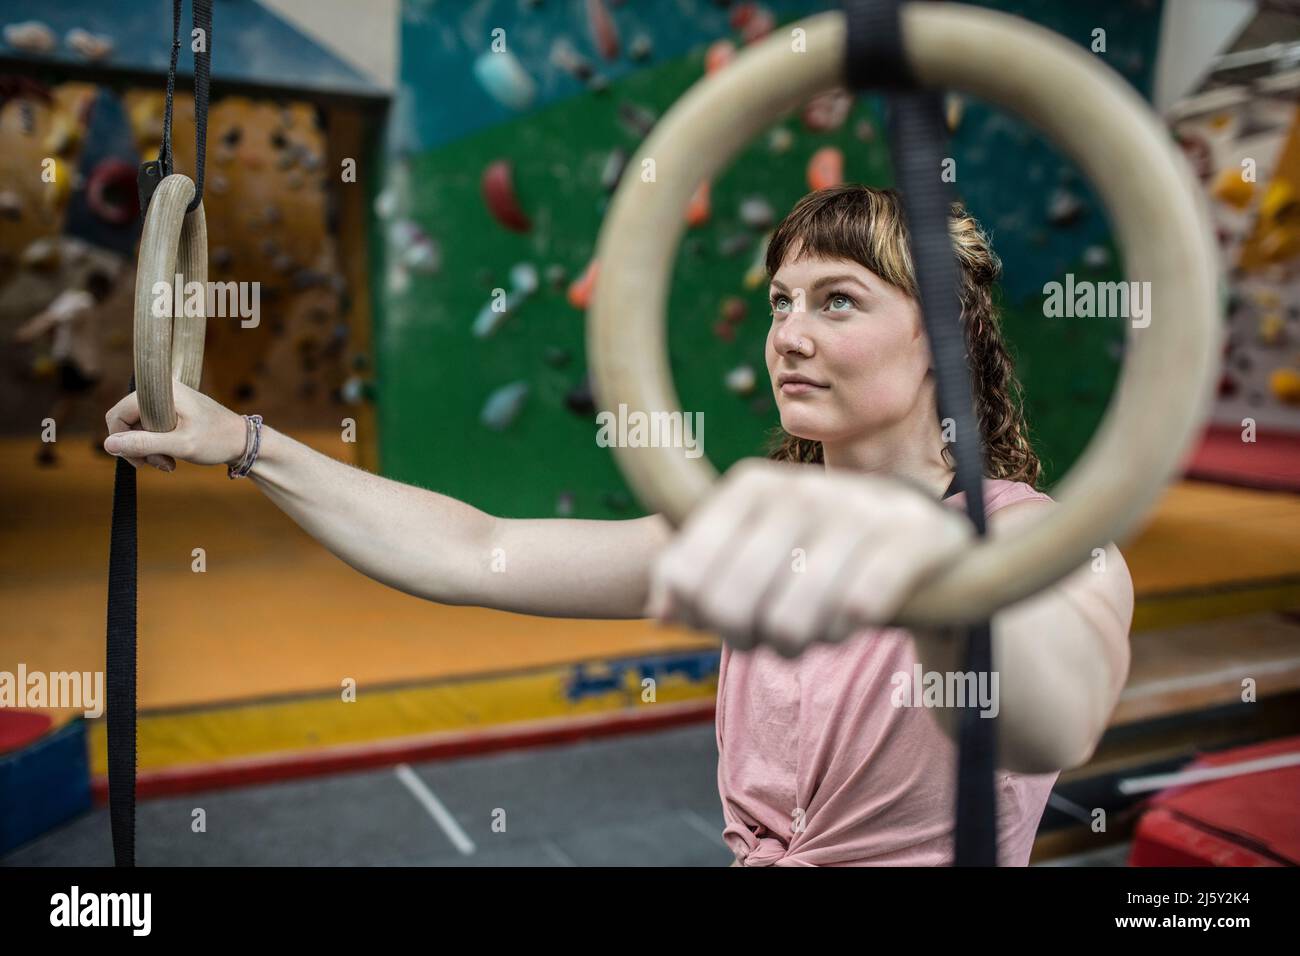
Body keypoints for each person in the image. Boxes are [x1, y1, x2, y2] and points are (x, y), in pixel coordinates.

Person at [102, 184, 1133, 866]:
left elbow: (1052, 715)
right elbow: (477, 551)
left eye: (837, 301)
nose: (790, 336)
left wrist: (916, 561)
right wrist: (246, 440)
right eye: (779, 302)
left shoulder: (1043, 543)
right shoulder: (746, 519)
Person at [16, 259, 118, 465]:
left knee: (100, 397)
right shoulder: (82, 302)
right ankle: (46, 448)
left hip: (82, 363)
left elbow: (54, 320)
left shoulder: (78, 300)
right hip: (75, 362)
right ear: (99, 289)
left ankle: (98, 440)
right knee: (63, 407)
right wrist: (29, 332)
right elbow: (52, 319)